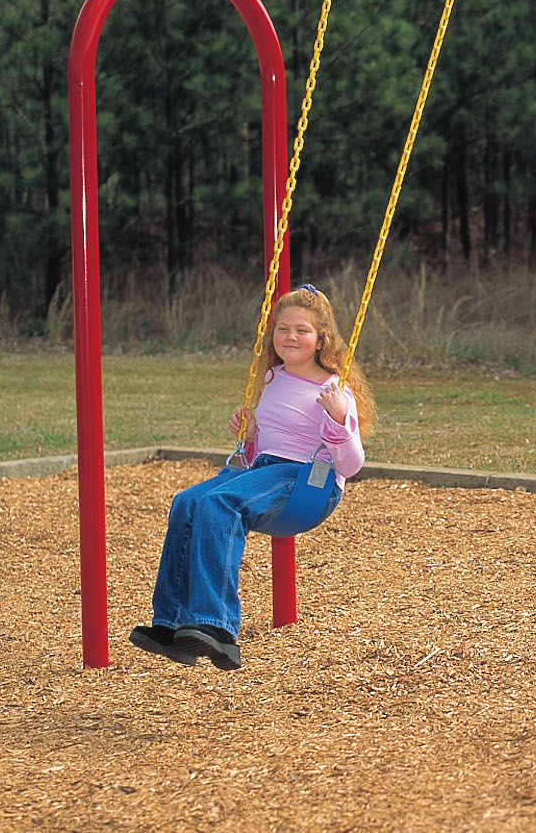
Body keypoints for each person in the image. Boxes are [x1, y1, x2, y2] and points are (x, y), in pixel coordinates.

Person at [129, 284, 377, 670]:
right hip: (265, 471)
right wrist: (248, 436)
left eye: (302, 330)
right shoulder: (271, 379)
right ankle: (171, 623)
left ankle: (219, 628)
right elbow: (259, 452)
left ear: (321, 339)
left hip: (305, 481)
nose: (290, 337)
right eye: (282, 329)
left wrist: (338, 418)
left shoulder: (335, 389)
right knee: (187, 502)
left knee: (219, 504)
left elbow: (351, 464)